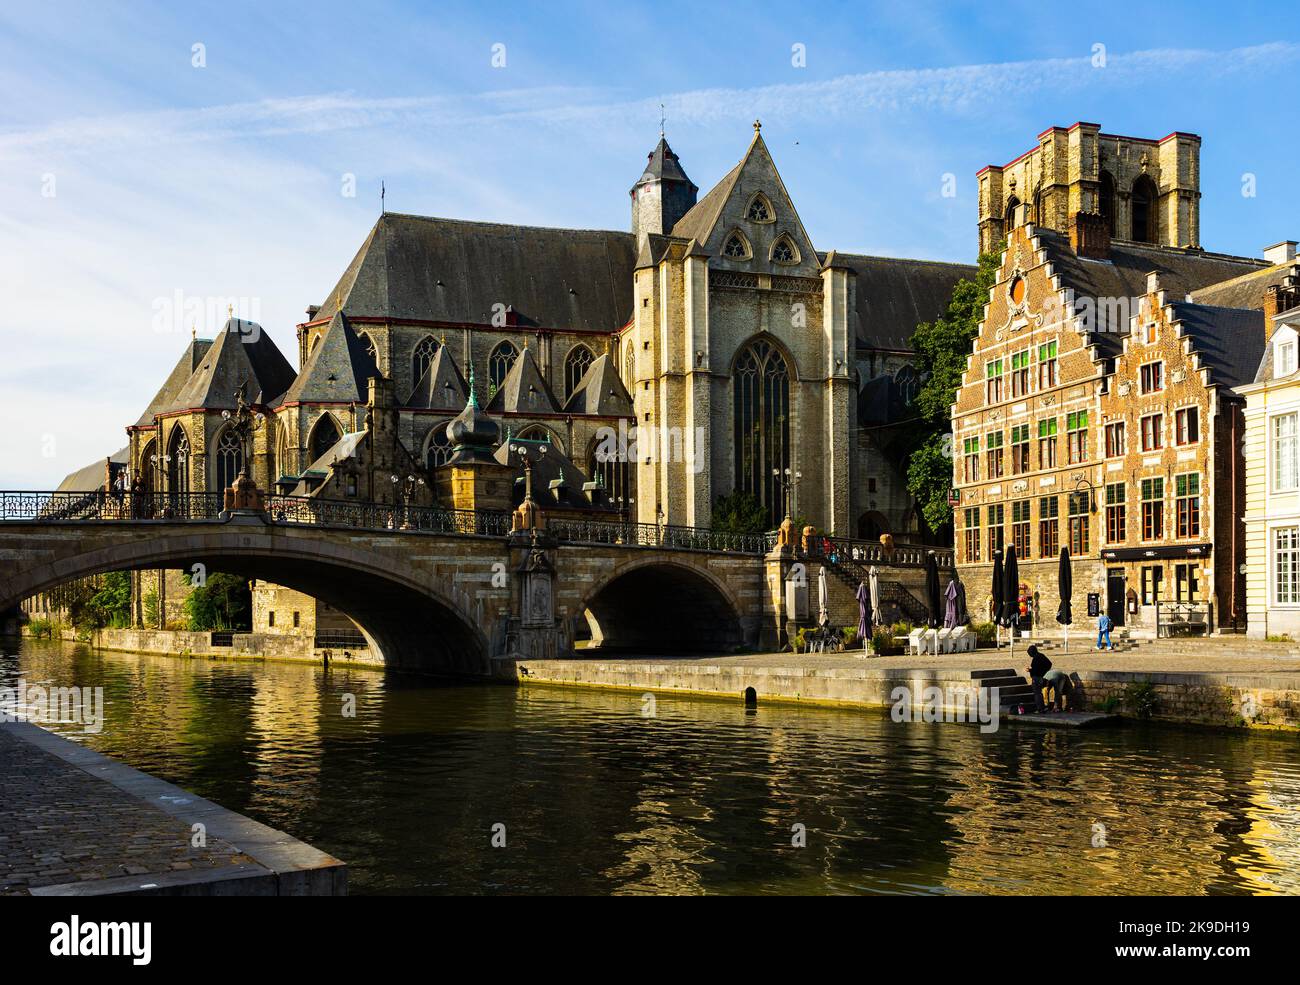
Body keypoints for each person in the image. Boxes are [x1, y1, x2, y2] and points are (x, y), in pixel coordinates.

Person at [1026, 644, 1052, 713]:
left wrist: (1029, 670)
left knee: (1037, 693)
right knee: (1040, 693)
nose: (1029, 655)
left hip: (1036, 678)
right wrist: (1044, 671)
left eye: (1029, 654)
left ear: (1032, 652)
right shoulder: (1041, 655)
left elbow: (1035, 670)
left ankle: (1040, 708)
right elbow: (1049, 664)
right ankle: (1043, 707)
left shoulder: (1035, 659)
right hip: (1043, 677)